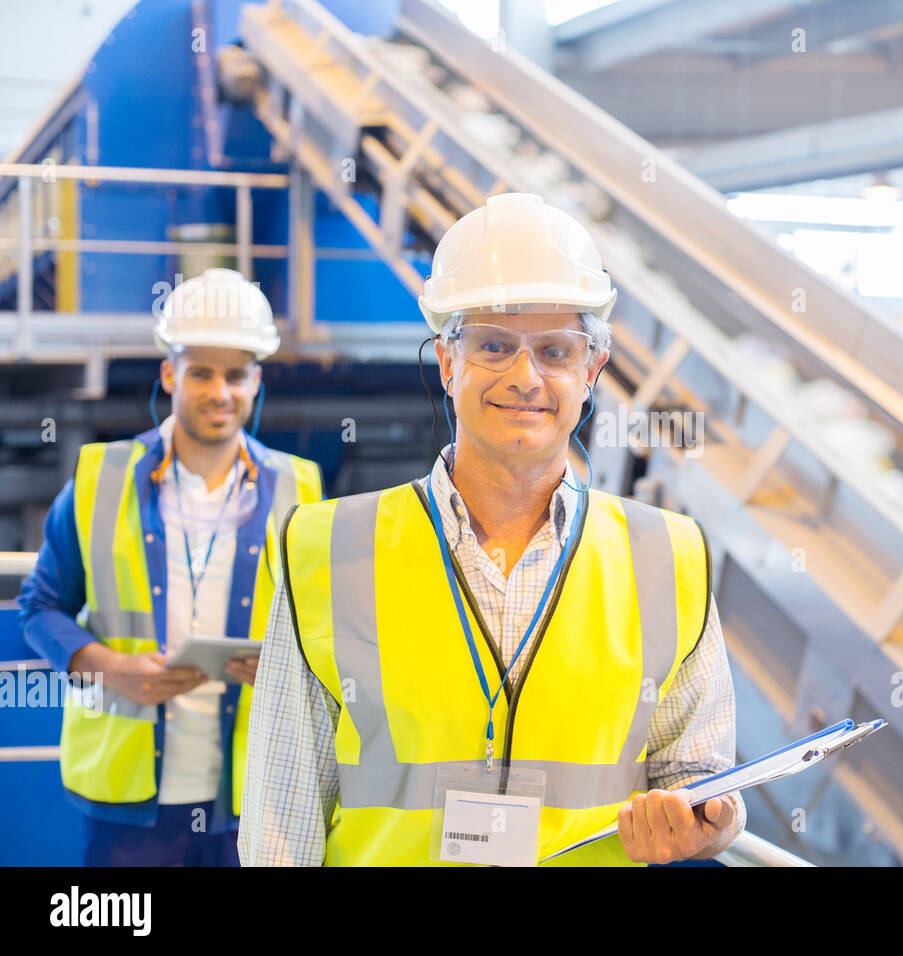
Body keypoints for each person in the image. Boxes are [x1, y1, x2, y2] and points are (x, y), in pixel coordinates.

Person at [239, 192, 745, 866]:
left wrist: (711, 817)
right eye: (494, 345)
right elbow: (282, 822)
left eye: (556, 351)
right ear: (449, 363)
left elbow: (698, 774)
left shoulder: (668, 560)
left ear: (591, 372)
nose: (525, 376)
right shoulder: (328, 552)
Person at [17, 268, 323, 866]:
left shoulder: (300, 487)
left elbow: (328, 631)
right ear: (169, 373)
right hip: (130, 804)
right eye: (201, 373)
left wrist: (289, 670)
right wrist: (112, 668)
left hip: (256, 794)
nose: (219, 392)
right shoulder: (98, 481)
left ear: (256, 381)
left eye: (236, 376)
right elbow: (38, 609)